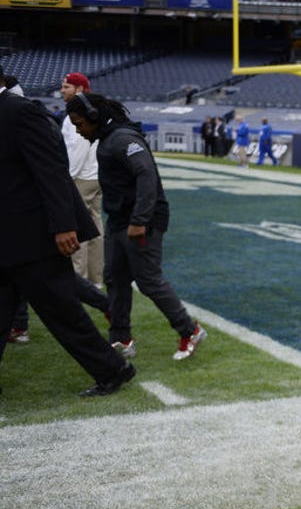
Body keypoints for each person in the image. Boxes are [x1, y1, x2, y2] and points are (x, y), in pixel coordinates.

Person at [0, 67, 136, 397]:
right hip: (7, 236)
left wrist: (64, 226)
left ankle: (113, 368)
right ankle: (113, 366)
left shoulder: (21, 111)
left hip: (33, 236)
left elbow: (51, 170)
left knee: (62, 312)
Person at [65, 92, 206, 362]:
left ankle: (191, 330)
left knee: (148, 280)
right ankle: (120, 338)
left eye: (80, 123)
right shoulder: (108, 139)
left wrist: (140, 220)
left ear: (94, 117)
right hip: (120, 219)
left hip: (142, 221)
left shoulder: (122, 139)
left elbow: (146, 174)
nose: (78, 130)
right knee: (115, 279)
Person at [61, 72, 105, 287]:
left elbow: (78, 148)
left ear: (79, 88)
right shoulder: (93, 108)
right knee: (96, 230)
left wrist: (67, 177)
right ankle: (96, 279)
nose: (62, 91)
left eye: (66, 86)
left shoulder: (78, 111)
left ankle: (80, 281)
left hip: (82, 176)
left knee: (77, 229)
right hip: (96, 175)